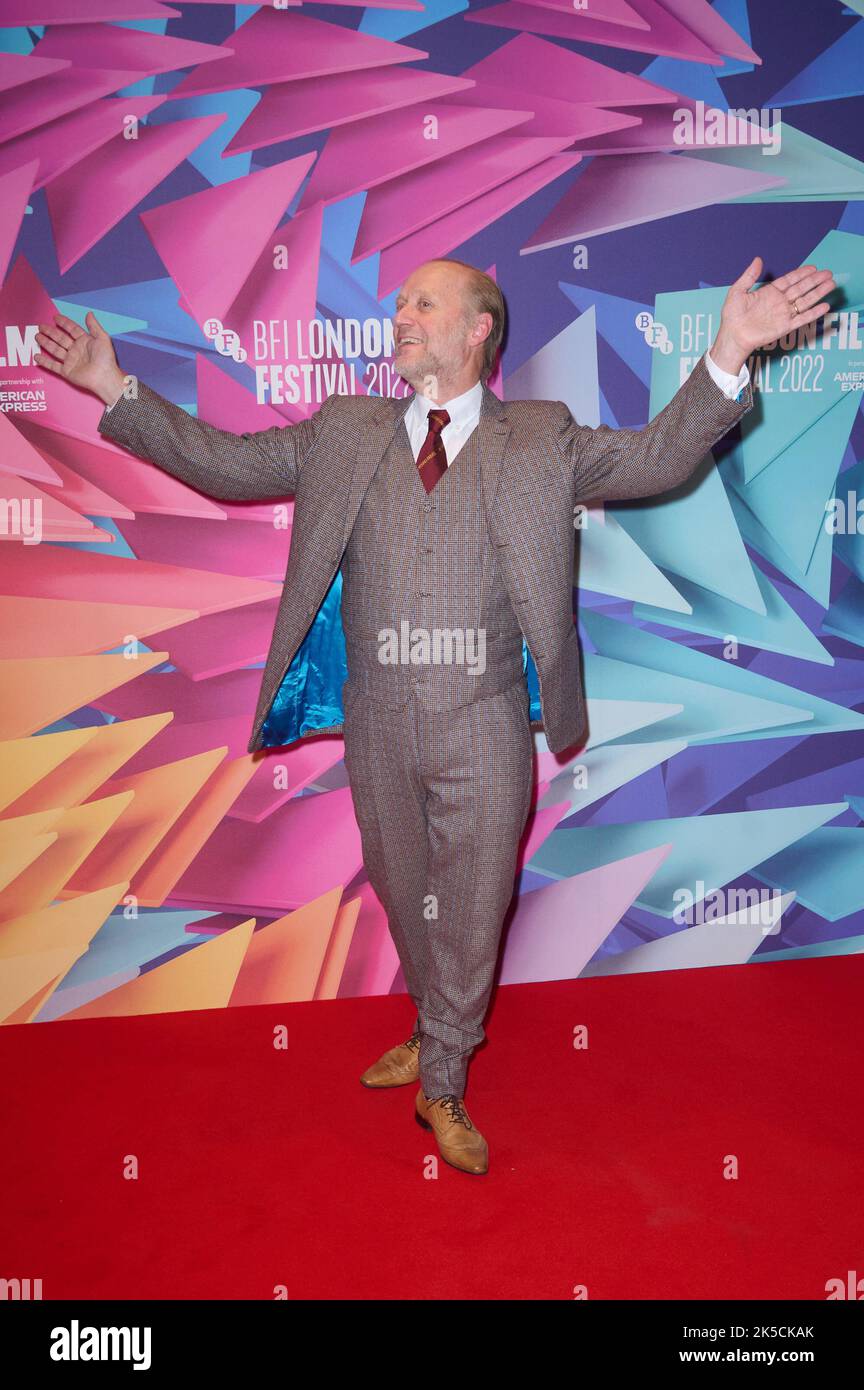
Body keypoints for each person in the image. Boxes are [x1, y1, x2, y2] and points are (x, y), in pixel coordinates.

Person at [35, 255, 835, 1176]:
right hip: (375, 717)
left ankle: (443, 1077)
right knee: (402, 882)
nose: (402, 315)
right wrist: (115, 388)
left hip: (486, 721)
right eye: (401, 301)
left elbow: (655, 458)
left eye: (424, 302)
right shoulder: (346, 430)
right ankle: (436, 1024)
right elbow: (227, 462)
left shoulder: (542, 437)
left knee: (476, 901)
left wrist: (730, 348)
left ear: (477, 329)